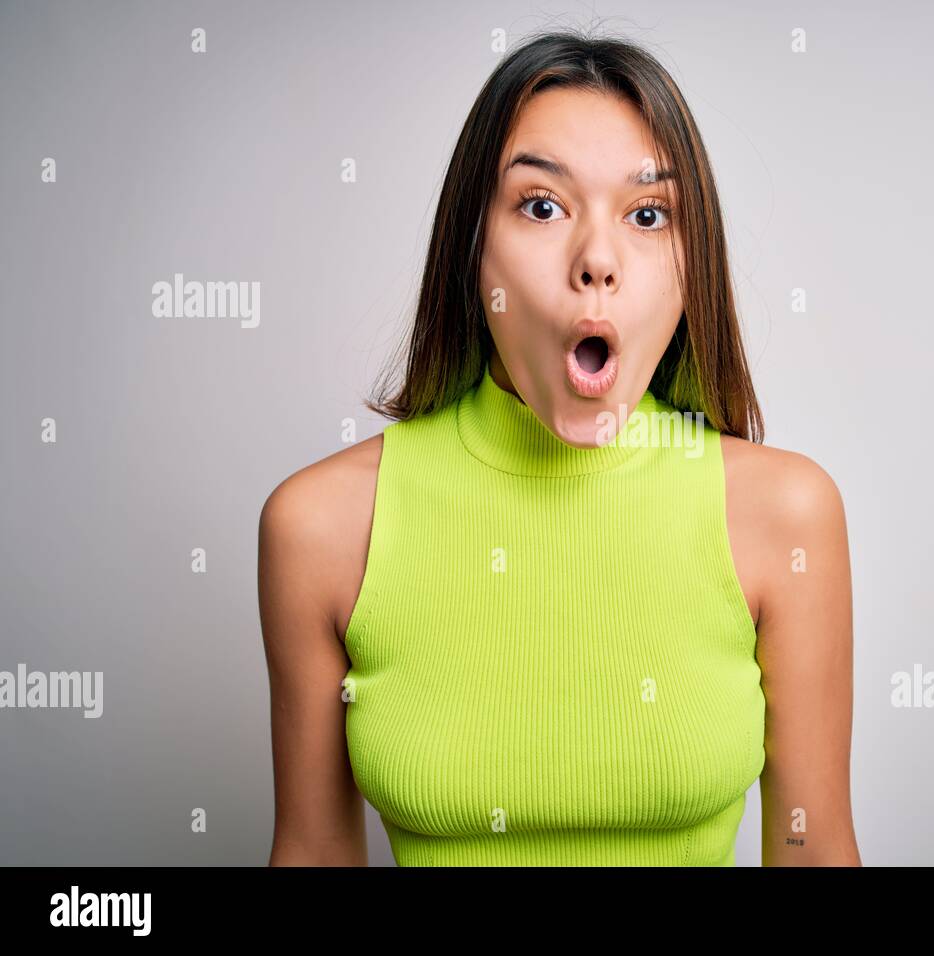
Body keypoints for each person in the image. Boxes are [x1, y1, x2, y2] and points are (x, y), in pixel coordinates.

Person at [259, 28, 859, 866]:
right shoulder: (319, 528)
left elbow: (813, 848)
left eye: (648, 214)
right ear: (473, 251)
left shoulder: (786, 518)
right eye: (542, 206)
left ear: (695, 269)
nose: (598, 261)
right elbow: (314, 852)